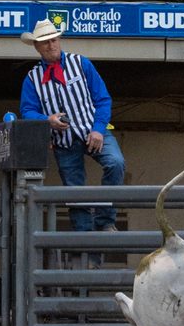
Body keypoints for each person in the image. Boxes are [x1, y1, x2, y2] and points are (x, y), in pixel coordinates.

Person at [18, 19, 126, 265]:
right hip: (64, 140)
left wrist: (98, 129)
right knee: (75, 193)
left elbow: (103, 99)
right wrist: (48, 120)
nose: (50, 45)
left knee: (116, 163)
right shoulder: (32, 78)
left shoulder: (82, 64)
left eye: (53, 40)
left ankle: (105, 221)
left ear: (59, 40)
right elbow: (28, 111)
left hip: (93, 131)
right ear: (37, 47)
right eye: (44, 42)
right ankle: (86, 248)